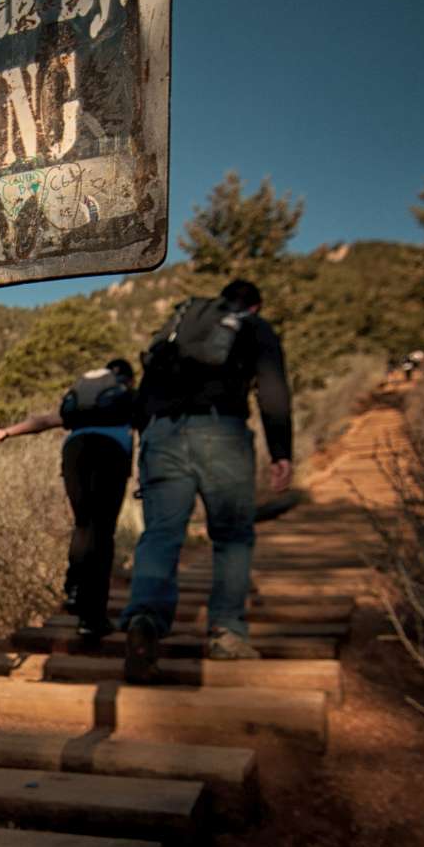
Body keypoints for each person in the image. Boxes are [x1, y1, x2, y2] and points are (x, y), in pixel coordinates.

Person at [120, 278, 293, 681]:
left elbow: (145, 389)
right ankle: (226, 632)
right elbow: (272, 387)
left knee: (160, 535)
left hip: (161, 435)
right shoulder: (253, 326)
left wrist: (146, 442)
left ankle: (144, 619)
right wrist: (281, 450)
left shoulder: (182, 324)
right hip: (222, 433)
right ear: (254, 305)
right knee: (232, 536)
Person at [0, 357, 136, 644]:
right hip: (111, 453)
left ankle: (76, 589)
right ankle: (92, 619)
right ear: (128, 380)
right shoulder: (127, 398)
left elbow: (44, 421)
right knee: (103, 532)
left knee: (83, 524)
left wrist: (6, 432)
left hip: (76, 451)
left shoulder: (83, 404)